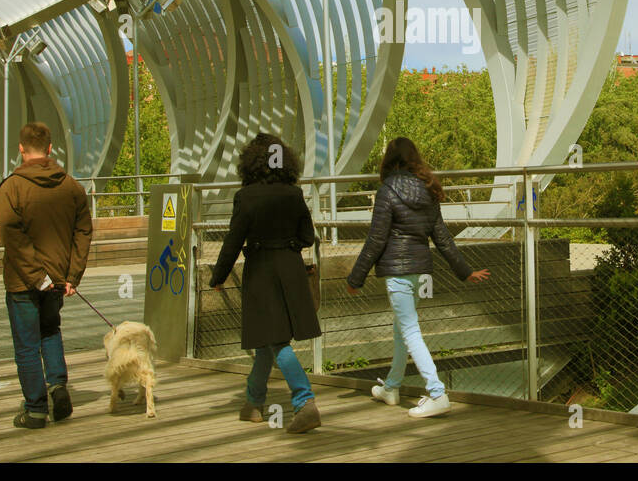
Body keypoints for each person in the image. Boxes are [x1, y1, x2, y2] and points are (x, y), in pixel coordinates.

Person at [346, 137, 491, 418]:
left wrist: (356, 278)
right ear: (414, 159)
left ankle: (437, 393)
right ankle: (391, 387)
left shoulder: (387, 191)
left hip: (398, 273)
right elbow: (443, 238)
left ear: (389, 160)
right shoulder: (427, 191)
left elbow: (376, 239)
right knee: (402, 330)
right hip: (421, 273)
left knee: (410, 331)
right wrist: (465, 271)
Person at [209, 133, 323, 434]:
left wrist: (218, 277)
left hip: (261, 271)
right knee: (266, 341)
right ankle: (253, 403)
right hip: (290, 267)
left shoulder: (246, 197)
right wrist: (288, 246)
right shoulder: (293, 194)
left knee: (276, 340)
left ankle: (304, 400)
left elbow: (233, 241)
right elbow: (307, 237)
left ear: (251, 163)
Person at [0, 121, 93, 429]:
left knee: (27, 345)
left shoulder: (10, 187)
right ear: (51, 148)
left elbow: (13, 236)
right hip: (58, 278)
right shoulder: (72, 187)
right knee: (50, 331)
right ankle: (57, 385)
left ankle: (36, 410)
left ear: (21, 149)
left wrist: (37, 276)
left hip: (22, 282)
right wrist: (72, 275)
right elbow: (83, 231)